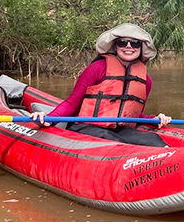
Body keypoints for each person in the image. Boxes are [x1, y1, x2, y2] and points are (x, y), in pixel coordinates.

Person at [31, 23, 172, 147]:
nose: (128, 46)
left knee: (154, 140)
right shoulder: (97, 68)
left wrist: (154, 119)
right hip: (85, 127)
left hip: (120, 130)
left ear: (140, 48)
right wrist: (49, 118)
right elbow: (71, 104)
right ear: (115, 47)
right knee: (111, 140)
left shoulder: (146, 80)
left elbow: (131, 113)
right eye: (122, 42)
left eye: (134, 43)